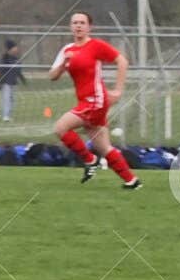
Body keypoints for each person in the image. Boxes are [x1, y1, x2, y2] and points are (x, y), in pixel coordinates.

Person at [48, 11, 139, 190]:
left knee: (60, 128)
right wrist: (63, 64)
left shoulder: (96, 45)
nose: (78, 26)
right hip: (86, 101)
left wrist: (118, 90)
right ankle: (132, 181)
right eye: (75, 23)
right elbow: (52, 76)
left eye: (82, 23)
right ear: (70, 26)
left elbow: (122, 61)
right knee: (104, 147)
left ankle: (90, 160)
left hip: (95, 100)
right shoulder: (67, 50)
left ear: (90, 27)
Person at [0, 39, 24, 122]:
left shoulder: (16, 59)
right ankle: (5, 115)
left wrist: (22, 79)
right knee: (6, 99)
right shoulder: (4, 58)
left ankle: (9, 115)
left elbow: (18, 71)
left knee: (12, 100)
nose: (16, 49)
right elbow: (0, 70)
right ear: (10, 49)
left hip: (13, 83)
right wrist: (0, 81)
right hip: (6, 83)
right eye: (14, 47)